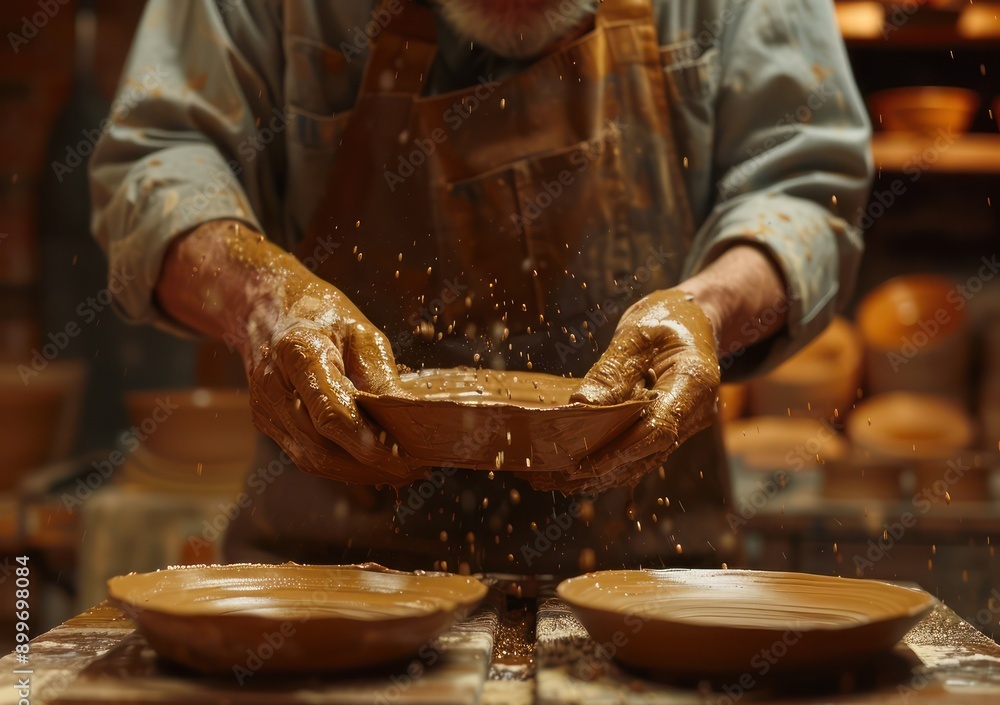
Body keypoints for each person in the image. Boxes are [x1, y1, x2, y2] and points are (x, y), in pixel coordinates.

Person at [90, 0, 873, 575]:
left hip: (650, 584)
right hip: (327, 583)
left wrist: (713, 306)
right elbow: (156, 161)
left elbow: (805, 186)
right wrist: (261, 298)